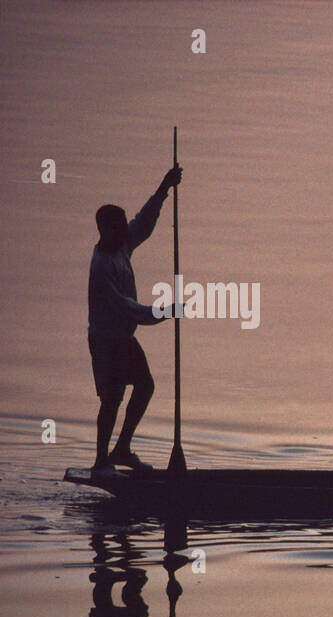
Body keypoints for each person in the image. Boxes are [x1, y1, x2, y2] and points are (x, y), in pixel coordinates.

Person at [87, 165, 183, 477]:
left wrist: (163, 189)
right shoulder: (102, 266)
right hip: (105, 341)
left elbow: (143, 223)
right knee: (112, 398)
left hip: (123, 339)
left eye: (122, 227)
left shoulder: (122, 245)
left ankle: (122, 449)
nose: (124, 232)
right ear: (105, 230)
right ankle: (102, 461)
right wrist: (165, 312)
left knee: (144, 386)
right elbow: (128, 308)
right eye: (117, 228)